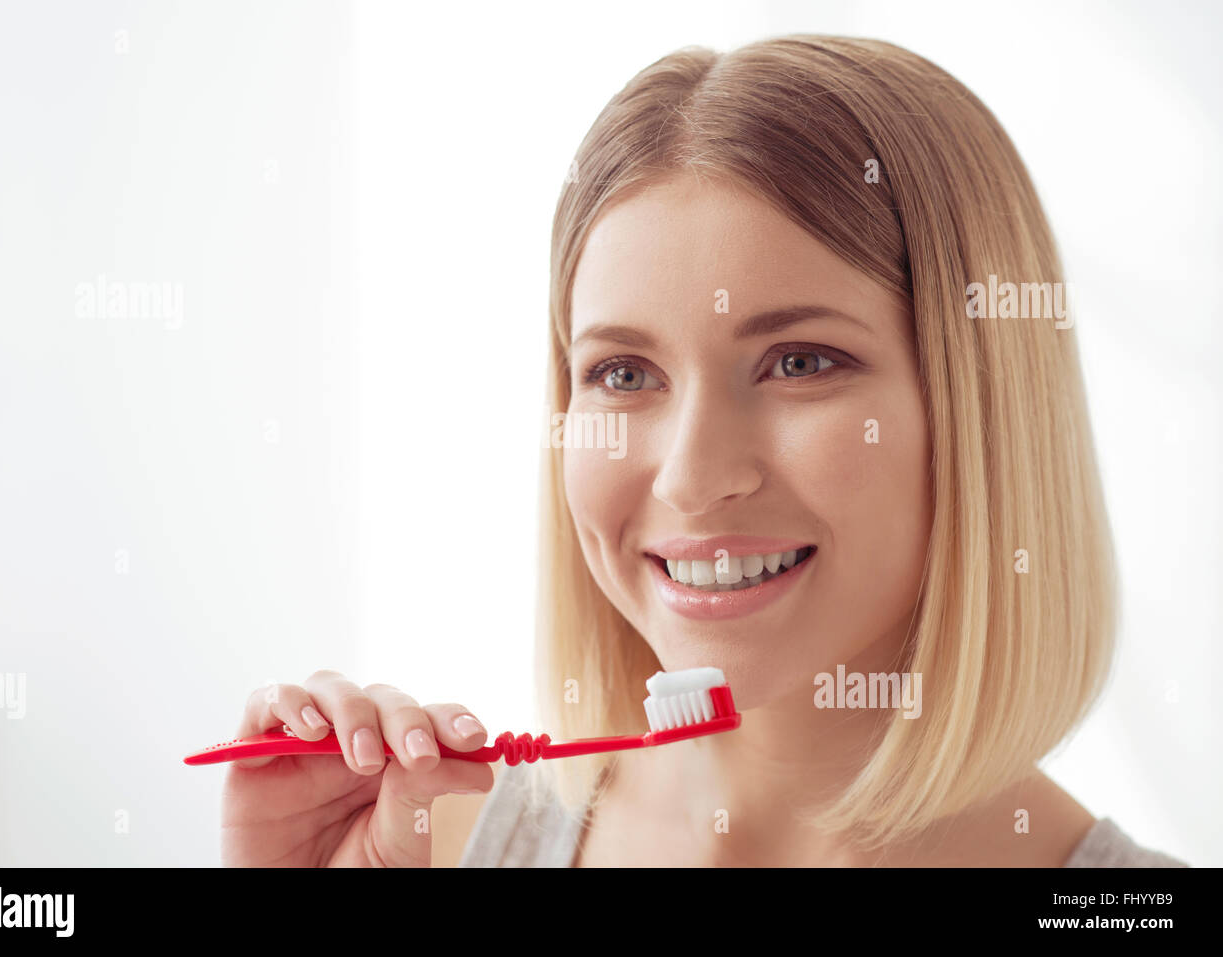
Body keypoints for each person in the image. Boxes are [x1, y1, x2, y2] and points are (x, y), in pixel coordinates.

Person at [217, 35, 1188, 868]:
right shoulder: (439, 843)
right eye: (624, 374)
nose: (688, 477)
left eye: (798, 362)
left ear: (979, 407)